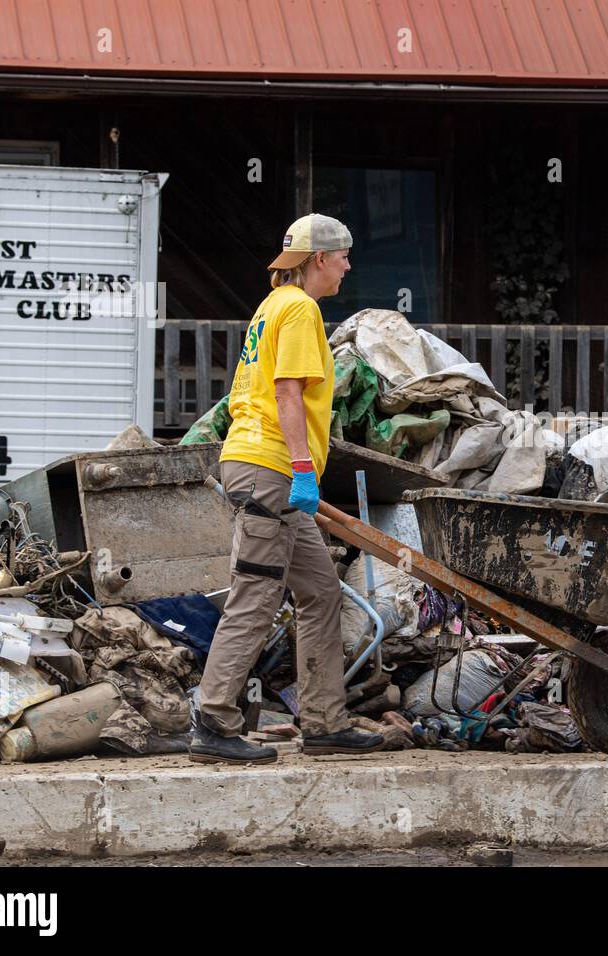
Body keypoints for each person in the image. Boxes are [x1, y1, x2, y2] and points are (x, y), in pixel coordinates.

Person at [190, 213, 384, 764]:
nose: (348, 266)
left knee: (320, 591)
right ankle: (213, 718)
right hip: (269, 467)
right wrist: (301, 467)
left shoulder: (273, 305)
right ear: (319, 258)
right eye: (343, 256)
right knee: (256, 593)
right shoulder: (299, 308)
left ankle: (324, 722)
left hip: (264, 467)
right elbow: (287, 393)